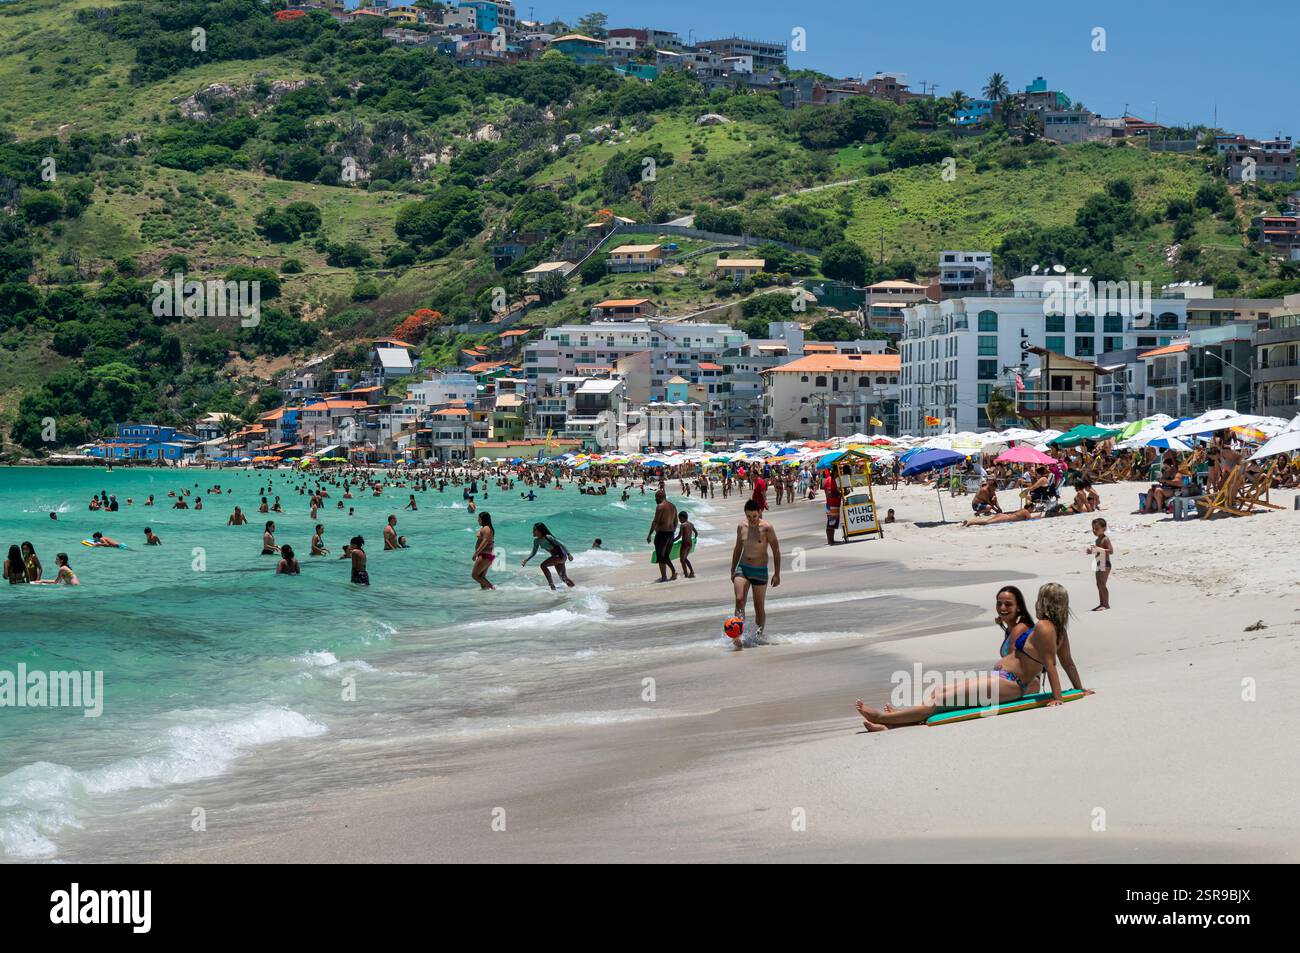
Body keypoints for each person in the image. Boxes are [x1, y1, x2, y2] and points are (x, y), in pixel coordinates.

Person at [855, 583, 1089, 730]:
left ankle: (882, 718)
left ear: (1045, 602)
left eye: (1039, 599)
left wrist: (1057, 697)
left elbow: (1053, 663)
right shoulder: (1057, 629)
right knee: (941, 694)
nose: (1035, 603)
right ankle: (892, 723)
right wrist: (1080, 688)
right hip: (1005, 679)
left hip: (1013, 684)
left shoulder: (1045, 627)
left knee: (941, 700)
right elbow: (1068, 663)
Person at [729, 499, 781, 648]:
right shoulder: (741, 526)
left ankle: (757, 636)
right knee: (739, 600)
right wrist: (733, 569)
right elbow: (738, 548)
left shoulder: (767, 528)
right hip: (743, 568)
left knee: (759, 607)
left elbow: (776, 550)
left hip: (760, 571)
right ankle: (737, 636)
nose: (751, 520)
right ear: (745, 514)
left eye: (754, 516)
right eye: (748, 517)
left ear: (759, 513)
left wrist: (777, 574)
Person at [522, 522, 574, 590]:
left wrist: (569, 554)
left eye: (534, 529)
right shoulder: (536, 541)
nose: (533, 531)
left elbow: (561, 544)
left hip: (560, 555)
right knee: (563, 578)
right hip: (556, 557)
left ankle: (552, 586)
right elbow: (533, 552)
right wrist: (527, 559)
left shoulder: (548, 537)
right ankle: (575, 589)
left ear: (540, 531)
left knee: (543, 565)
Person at [646, 490, 678, 582]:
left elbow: (655, 521)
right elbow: (676, 521)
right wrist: (673, 531)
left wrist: (649, 534)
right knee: (666, 556)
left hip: (662, 535)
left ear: (660, 496)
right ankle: (673, 572)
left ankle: (664, 577)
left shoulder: (660, 507)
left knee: (661, 557)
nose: (655, 499)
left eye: (656, 497)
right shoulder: (673, 506)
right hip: (670, 534)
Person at [1087, 518, 1113, 611]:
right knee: (1098, 584)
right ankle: (1102, 603)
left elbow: (1111, 551)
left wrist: (1098, 549)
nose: (1094, 530)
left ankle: (1106, 604)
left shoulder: (1105, 539)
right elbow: (1099, 551)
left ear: (1104, 529)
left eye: (1097, 528)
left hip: (1105, 563)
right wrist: (1091, 551)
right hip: (1098, 563)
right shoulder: (1098, 539)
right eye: (1093, 528)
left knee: (1102, 584)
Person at [472, 512, 495, 591]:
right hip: (487, 555)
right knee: (481, 578)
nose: (478, 520)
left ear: (483, 519)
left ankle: (493, 589)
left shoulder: (486, 528)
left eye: (479, 518)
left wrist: (476, 553)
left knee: (475, 575)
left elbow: (484, 542)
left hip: (484, 555)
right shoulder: (486, 528)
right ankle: (485, 597)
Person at [676, 511, 697, 579]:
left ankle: (688, 573)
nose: (679, 520)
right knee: (684, 559)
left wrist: (672, 541)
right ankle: (689, 572)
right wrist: (695, 540)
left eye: (680, 518)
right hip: (690, 543)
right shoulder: (691, 524)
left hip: (685, 544)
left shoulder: (683, 525)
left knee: (682, 559)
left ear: (683, 518)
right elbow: (696, 533)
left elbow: (679, 536)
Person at [823, 468, 841, 545]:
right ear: (835, 472)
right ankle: (830, 541)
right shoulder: (829, 480)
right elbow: (829, 494)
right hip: (831, 505)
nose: (840, 473)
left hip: (834, 505)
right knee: (831, 523)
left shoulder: (834, 479)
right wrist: (838, 494)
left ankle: (832, 540)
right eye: (839, 471)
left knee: (833, 523)